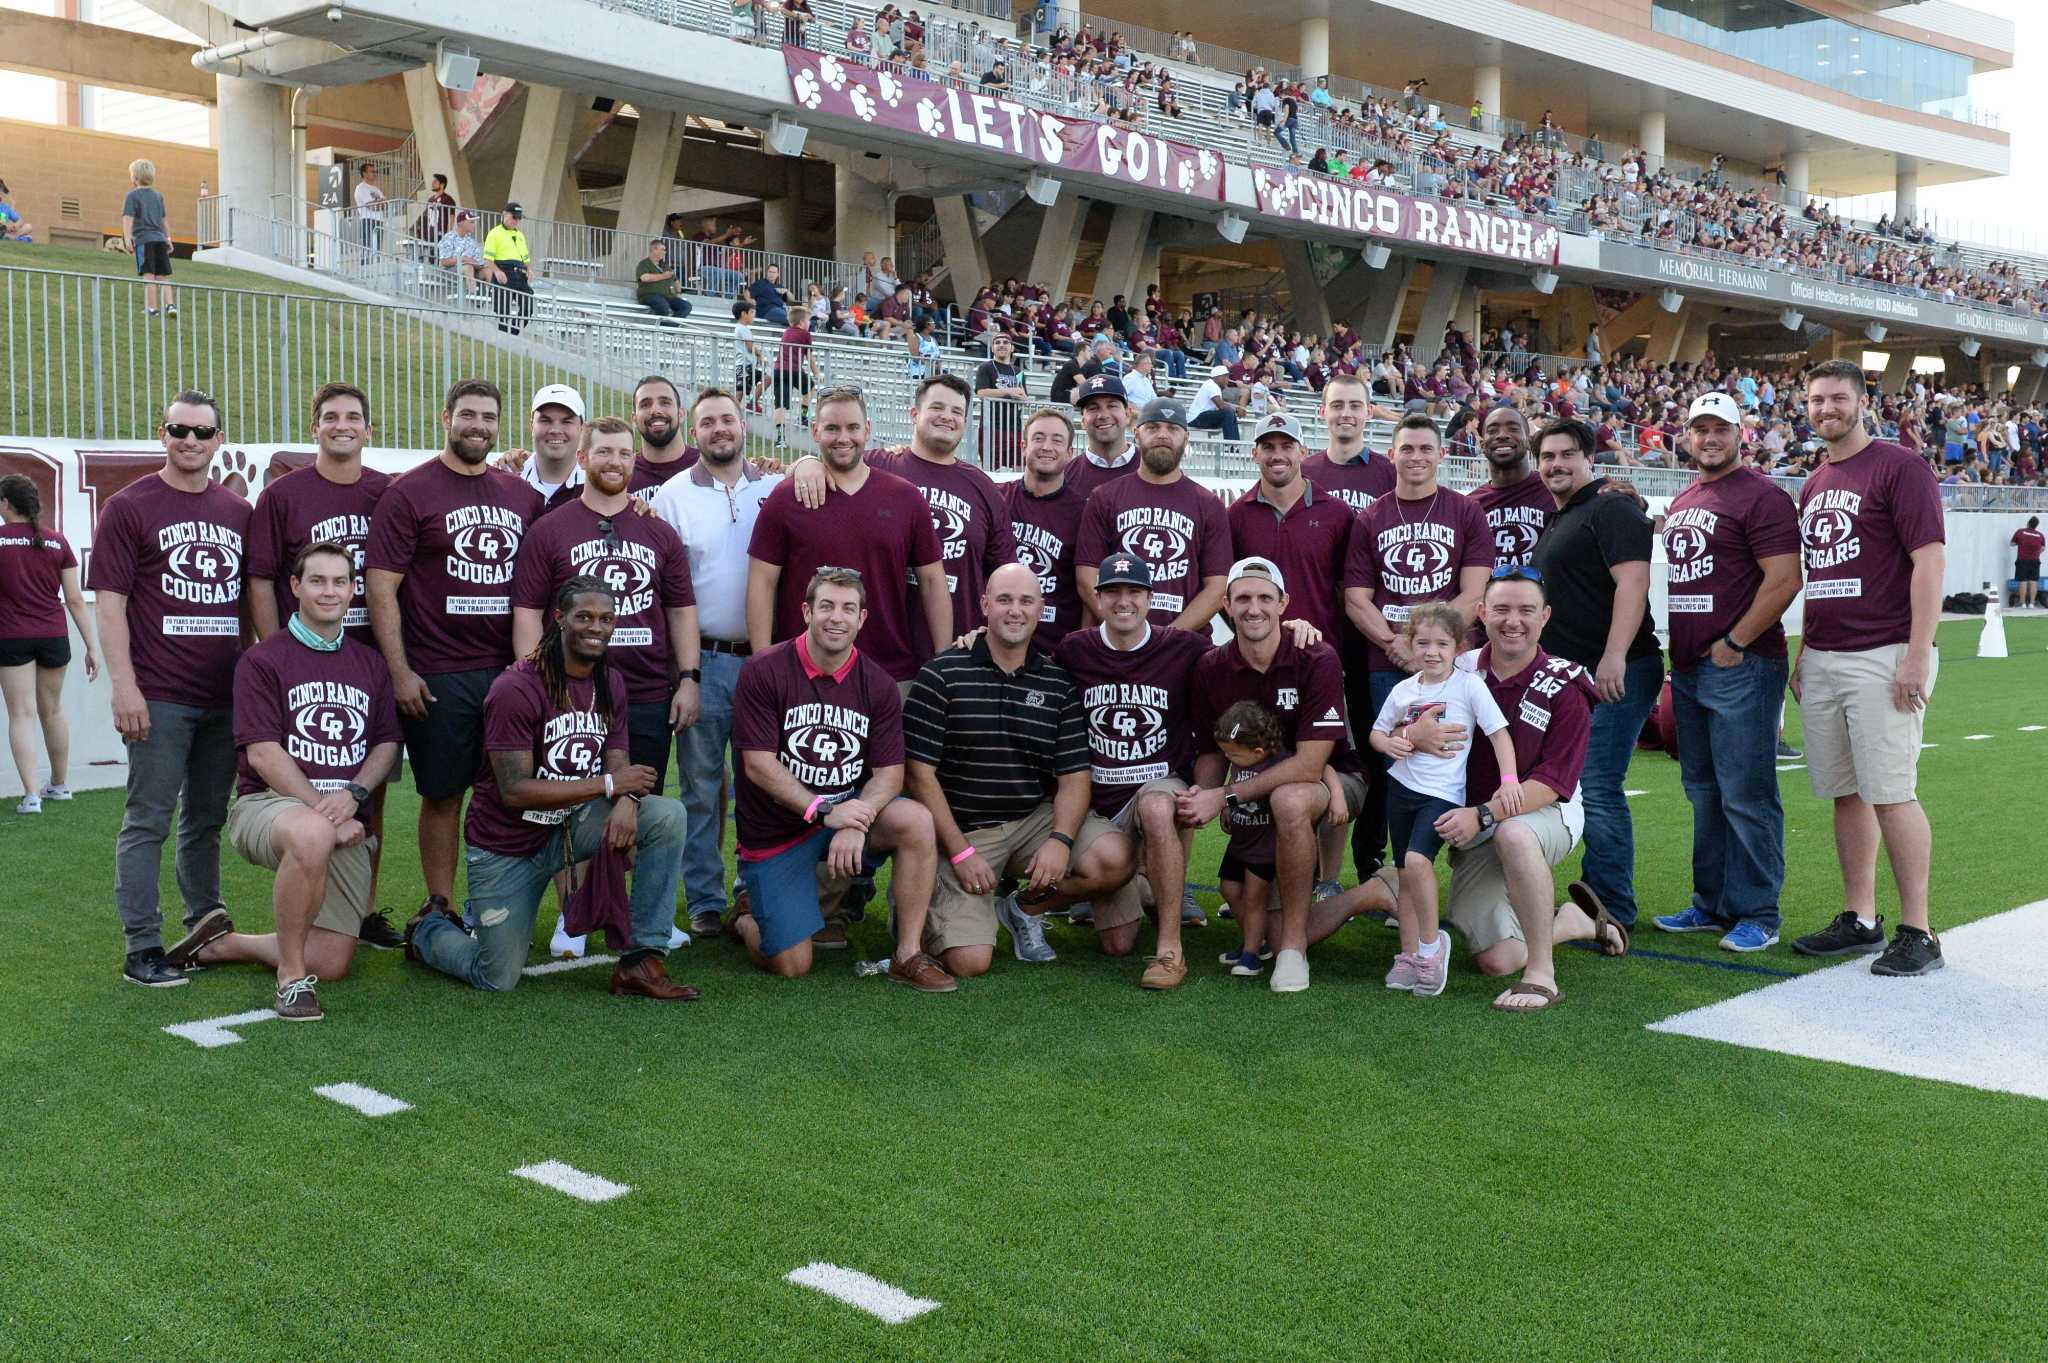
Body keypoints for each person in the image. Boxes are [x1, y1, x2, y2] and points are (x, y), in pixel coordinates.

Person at [1317, 568, 1609, 1010]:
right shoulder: (1456, 665)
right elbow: (1397, 721)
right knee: (1495, 958)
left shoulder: (1564, 683)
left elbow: (1553, 785)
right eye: (1502, 610)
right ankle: (1574, 921)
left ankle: (1542, 976)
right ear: (1481, 614)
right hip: (1467, 817)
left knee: (1513, 833)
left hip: (1539, 814)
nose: (1514, 621)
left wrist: (1484, 815)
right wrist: (1414, 735)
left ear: (1544, 616)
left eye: (1526, 611)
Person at [403, 576, 698, 999]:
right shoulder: (516, 687)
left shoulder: (610, 682)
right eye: (585, 617)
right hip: (508, 845)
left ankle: (642, 960)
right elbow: (515, 790)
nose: (596, 627)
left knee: (665, 816)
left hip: (571, 826)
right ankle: (428, 928)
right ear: (559, 619)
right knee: (497, 976)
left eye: (606, 618)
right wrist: (613, 783)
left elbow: (618, 761)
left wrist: (628, 798)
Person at [161, 542, 400, 1021]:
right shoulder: (263, 660)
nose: (329, 592)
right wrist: (324, 809)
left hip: (343, 811)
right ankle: (291, 980)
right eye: (317, 581)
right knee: (312, 833)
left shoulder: (369, 663)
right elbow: (264, 754)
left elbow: (386, 745)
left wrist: (352, 797)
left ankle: (225, 944)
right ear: (295, 586)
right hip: (269, 806)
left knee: (332, 960)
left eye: (339, 582)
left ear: (353, 590)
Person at [366, 378, 544, 930]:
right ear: (446, 418)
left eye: (488, 417)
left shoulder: (522, 496)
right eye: (468, 415)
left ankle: (501, 902)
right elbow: (380, 587)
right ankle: (440, 902)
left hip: (508, 673)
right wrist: (400, 671)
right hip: (439, 672)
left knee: (513, 793)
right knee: (443, 793)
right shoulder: (409, 492)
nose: (478, 426)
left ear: (499, 425)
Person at [1787, 360, 1947, 976]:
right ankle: (1860, 918)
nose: (1826, 408)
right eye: (1817, 399)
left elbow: (1929, 562)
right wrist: (1805, 652)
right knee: (1845, 793)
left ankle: (1920, 930)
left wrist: (1916, 651)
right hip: (1826, 655)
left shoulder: (1901, 467)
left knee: (1892, 792)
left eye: (1837, 398)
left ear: (1861, 402)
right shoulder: (1815, 481)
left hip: (1883, 652)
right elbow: (1821, 577)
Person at [728, 567, 955, 991]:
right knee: (791, 963)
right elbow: (758, 764)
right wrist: (823, 810)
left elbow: (890, 773)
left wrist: (858, 817)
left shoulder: (879, 683)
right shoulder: (764, 670)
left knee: (915, 821)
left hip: (843, 817)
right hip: (777, 832)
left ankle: (907, 954)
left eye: (849, 608)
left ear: (862, 619)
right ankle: (745, 916)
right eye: (827, 606)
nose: (837, 617)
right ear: (806, 611)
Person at [91, 391, 250, 987]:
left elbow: (248, 606)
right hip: (158, 692)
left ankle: (204, 926)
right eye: (179, 430)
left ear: (219, 439)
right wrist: (124, 686)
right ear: (162, 433)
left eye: (202, 432)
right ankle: (142, 946)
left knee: (206, 819)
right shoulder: (128, 507)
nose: (190, 441)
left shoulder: (238, 511)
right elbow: (111, 604)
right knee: (148, 819)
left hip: (224, 694)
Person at [903, 563, 1128, 979]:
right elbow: (918, 775)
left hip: (1031, 821)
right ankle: (927, 901)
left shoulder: (1057, 684)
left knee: (1112, 859)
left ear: (1041, 609)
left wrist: (1060, 840)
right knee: (970, 962)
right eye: (1004, 600)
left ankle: (1020, 906)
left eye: (1026, 601)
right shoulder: (941, 674)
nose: (1015, 610)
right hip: (964, 831)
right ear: (985, 605)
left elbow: (1075, 777)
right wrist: (961, 852)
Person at [244, 381, 400, 944]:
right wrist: (277, 652)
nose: (342, 425)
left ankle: (362, 910)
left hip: (367, 661)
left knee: (367, 792)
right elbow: (260, 577)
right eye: (330, 416)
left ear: (368, 428)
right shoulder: (284, 495)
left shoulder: (386, 493)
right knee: (303, 785)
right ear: (314, 426)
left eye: (353, 416)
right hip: (300, 662)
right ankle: (299, 924)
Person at [1650, 393, 1802, 953]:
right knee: (1705, 792)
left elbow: (1784, 579)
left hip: (1741, 662)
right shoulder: (1691, 493)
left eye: (1720, 428)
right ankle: (1711, 904)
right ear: (1686, 436)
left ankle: (1758, 910)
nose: (1709, 437)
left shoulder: (1762, 496)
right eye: (1700, 429)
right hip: (1691, 667)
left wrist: (1736, 641)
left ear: (1742, 434)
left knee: (1747, 793)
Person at [1182, 558, 1366, 993]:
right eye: (1243, 598)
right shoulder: (1211, 667)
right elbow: (1210, 751)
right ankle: (1371, 895)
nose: (1254, 608)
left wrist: (1226, 796)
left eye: (1265, 597)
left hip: (1334, 781)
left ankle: (1293, 952)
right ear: (1225, 604)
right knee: (1248, 904)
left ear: (1284, 602)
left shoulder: (1315, 656)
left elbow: (1308, 766)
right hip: (1259, 793)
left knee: (1289, 799)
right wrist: (1200, 798)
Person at [651, 387, 783, 938]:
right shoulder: (671, 496)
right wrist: (684, 673)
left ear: (743, 425)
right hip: (703, 659)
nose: (719, 429)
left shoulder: (778, 489)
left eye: (727, 419)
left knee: (764, 783)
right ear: (693, 429)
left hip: (770, 660)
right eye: (708, 422)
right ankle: (705, 898)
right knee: (702, 788)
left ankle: (755, 890)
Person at [1046, 553, 1213, 987]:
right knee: (1118, 944)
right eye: (1113, 592)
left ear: (1150, 598)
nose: (1124, 602)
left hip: (1157, 786)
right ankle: (1144, 884)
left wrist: (1293, 629)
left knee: (1159, 807)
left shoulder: (1183, 646)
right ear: (1098, 598)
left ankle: (1169, 950)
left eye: (1134, 592)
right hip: (1100, 807)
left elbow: (1242, 663)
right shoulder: (1075, 649)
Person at [1528, 417, 1663, 939]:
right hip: (1576, 677)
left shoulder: (1611, 507)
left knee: (1598, 785)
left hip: (1615, 670)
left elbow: (1633, 583)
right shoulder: (1562, 516)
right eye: (1547, 457)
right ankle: (1595, 894)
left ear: (1589, 459)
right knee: (1583, 786)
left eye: (1566, 455)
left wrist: (1614, 655)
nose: (1556, 465)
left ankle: (1612, 904)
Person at [513, 414, 699, 789]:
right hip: (570, 694)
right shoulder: (550, 529)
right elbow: (528, 612)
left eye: (625, 454)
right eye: (604, 452)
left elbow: (680, 610)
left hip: (646, 695)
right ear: (582, 458)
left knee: (641, 810)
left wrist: (688, 679)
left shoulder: (659, 531)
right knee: (567, 806)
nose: (615, 462)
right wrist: (537, 684)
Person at [1343, 413, 1491, 880]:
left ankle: (1430, 866)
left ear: (1442, 455)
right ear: (1392, 455)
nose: (1416, 457)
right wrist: (1396, 644)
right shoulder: (1371, 516)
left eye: (1426, 448)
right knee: (1390, 761)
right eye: (1407, 448)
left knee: (1447, 761)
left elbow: (1474, 594)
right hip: (1386, 663)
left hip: (1450, 666)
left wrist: (1430, 648)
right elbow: (1355, 598)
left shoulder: (1465, 511)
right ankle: (1386, 869)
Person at [791, 375, 1017, 656]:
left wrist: (989, 627)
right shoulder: (875, 465)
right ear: (914, 414)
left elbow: (1005, 573)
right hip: (876, 649)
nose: (947, 417)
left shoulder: (985, 488)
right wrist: (807, 462)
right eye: (937, 407)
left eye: (956, 411)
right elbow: (823, 465)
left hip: (956, 649)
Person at [746, 387, 949, 689]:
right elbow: (762, 583)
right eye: (832, 428)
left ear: (867, 430)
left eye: (852, 427)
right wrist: (763, 662)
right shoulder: (787, 498)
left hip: (888, 673)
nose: (843, 438)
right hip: (801, 674)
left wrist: (943, 661)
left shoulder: (904, 497)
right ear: (815, 431)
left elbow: (932, 581)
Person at [1368, 602, 1521, 996]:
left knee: (1419, 861)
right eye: (1422, 643)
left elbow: (1499, 733)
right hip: (1401, 789)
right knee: (1403, 872)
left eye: (1441, 643)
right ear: (1409, 644)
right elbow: (1377, 734)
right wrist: (1393, 742)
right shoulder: (1404, 690)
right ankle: (1408, 957)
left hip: (1441, 794)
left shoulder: (1468, 685)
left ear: (1458, 646)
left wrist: (1508, 780)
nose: (1431, 651)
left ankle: (1432, 947)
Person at [1075, 396, 1230, 632]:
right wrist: (1125, 631)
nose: (1163, 435)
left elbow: (1217, 587)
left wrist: (1167, 638)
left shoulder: (1209, 504)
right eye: (1153, 427)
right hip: (1117, 644)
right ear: (1136, 433)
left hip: (1183, 649)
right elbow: (1087, 578)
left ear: (1186, 437)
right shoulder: (1105, 497)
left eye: (1173, 428)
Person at [0, 475, 97, 815]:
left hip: (11, 637)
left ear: (6, 504)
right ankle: (59, 784)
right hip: (54, 636)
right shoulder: (57, 542)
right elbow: (74, 600)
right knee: (52, 710)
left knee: (21, 714)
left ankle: (31, 796)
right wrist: (92, 647)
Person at [1226, 412, 1355, 640]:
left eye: (1287, 446)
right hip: (1257, 657)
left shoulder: (1337, 513)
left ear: (1303, 453)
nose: (1277, 455)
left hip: (1321, 652)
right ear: (1254, 454)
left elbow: (1349, 592)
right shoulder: (1236, 516)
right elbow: (1224, 592)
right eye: (1268, 447)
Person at [1212, 700, 1285, 976]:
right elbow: (1235, 783)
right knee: (1229, 890)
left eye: (1234, 755)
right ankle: (1256, 941)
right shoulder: (1242, 759)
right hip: (1239, 841)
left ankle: (1251, 954)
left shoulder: (1277, 764)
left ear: (1258, 750)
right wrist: (1228, 808)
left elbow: (1318, 768)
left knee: (1255, 898)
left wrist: (1336, 794)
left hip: (1263, 846)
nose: (1230, 759)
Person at [1006, 408, 1087, 649]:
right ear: (1023, 446)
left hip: (1054, 653)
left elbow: (1089, 590)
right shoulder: (996, 498)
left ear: (1070, 453)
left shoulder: (1084, 513)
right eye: (1038, 438)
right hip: (995, 646)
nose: (1046, 447)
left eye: (1057, 440)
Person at [1466, 404, 1550, 568]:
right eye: (1492, 430)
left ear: (1529, 440)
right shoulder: (1470, 505)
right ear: (1483, 444)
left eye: (1513, 429)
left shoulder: (1553, 489)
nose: (1502, 435)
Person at [1063, 374, 1139, 503]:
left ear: (1127, 415)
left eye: (1111, 406)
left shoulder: (1153, 469)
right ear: (1083, 421)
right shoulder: (1065, 476)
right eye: (1093, 408)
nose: (1103, 415)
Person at [121, 158, 175, 317]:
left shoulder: (132, 196)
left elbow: (127, 218)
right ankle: (170, 306)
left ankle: (152, 308)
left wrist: (127, 237)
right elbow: (163, 219)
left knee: (148, 274)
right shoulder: (158, 196)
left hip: (144, 240)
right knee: (162, 275)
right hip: (160, 239)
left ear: (135, 178)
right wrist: (169, 239)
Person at [628, 374, 699, 492]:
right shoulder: (623, 474)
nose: (655, 410)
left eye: (665, 402)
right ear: (634, 419)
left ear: (681, 414)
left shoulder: (707, 466)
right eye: (645, 405)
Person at [481, 204, 535, 335]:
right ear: (505, 215)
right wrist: (497, 271)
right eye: (513, 218)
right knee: (502, 311)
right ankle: (504, 338)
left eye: (518, 219)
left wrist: (529, 269)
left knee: (528, 307)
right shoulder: (494, 233)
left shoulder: (520, 235)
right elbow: (488, 258)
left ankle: (513, 333)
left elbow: (525, 257)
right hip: (503, 272)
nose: (516, 221)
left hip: (520, 275)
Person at [435, 211, 499, 298]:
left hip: (470, 271)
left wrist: (478, 264)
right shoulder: (448, 237)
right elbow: (444, 262)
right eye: (471, 222)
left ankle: (494, 297)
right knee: (467, 266)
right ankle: (472, 295)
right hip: (448, 273)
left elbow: (478, 262)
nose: (474, 225)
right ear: (461, 223)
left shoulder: (471, 240)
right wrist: (463, 259)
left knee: (487, 270)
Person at [634, 239, 691, 326]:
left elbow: (676, 280)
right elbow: (644, 278)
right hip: (650, 295)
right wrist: (663, 276)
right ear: (654, 249)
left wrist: (679, 293)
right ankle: (663, 329)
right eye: (662, 249)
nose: (665, 252)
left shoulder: (665, 265)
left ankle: (668, 329)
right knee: (663, 306)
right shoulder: (644, 263)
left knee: (686, 306)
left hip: (668, 297)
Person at [1186, 364, 1243, 441]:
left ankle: (1235, 446)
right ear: (1218, 377)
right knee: (1228, 413)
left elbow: (1221, 404)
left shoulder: (1213, 385)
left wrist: (1236, 408)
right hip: (1196, 418)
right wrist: (1236, 409)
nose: (1228, 379)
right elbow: (1221, 406)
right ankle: (1230, 446)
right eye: (1225, 376)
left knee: (1230, 413)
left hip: (1200, 417)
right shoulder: (1212, 385)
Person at [413, 171, 457, 242]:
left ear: (442, 185)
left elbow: (451, 217)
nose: (432, 183)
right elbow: (427, 216)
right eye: (433, 181)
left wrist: (448, 235)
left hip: (440, 233)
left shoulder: (448, 199)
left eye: (435, 182)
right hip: (429, 233)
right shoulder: (430, 199)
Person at [352, 162, 386, 255]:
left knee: (377, 249)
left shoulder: (376, 189)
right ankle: (366, 267)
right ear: (364, 173)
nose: (375, 173)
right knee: (368, 248)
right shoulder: (361, 187)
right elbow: (372, 207)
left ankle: (376, 267)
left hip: (379, 220)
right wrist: (379, 203)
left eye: (375, 171)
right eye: (372, 171)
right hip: (368, 221)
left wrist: (378, 204)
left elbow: (384, 204)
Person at [2013, 515, 2044, 608]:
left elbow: (2012, 543)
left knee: (2022, 580)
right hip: (2035, 560)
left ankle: (2022, 603)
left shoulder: (2020, 532)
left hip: (2022, 559)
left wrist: (2021, 544)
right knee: (2033, 581)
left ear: (2028, 523)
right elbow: (2043, 548)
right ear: (2036, 526)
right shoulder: (2040, 535)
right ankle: (2032, 603)